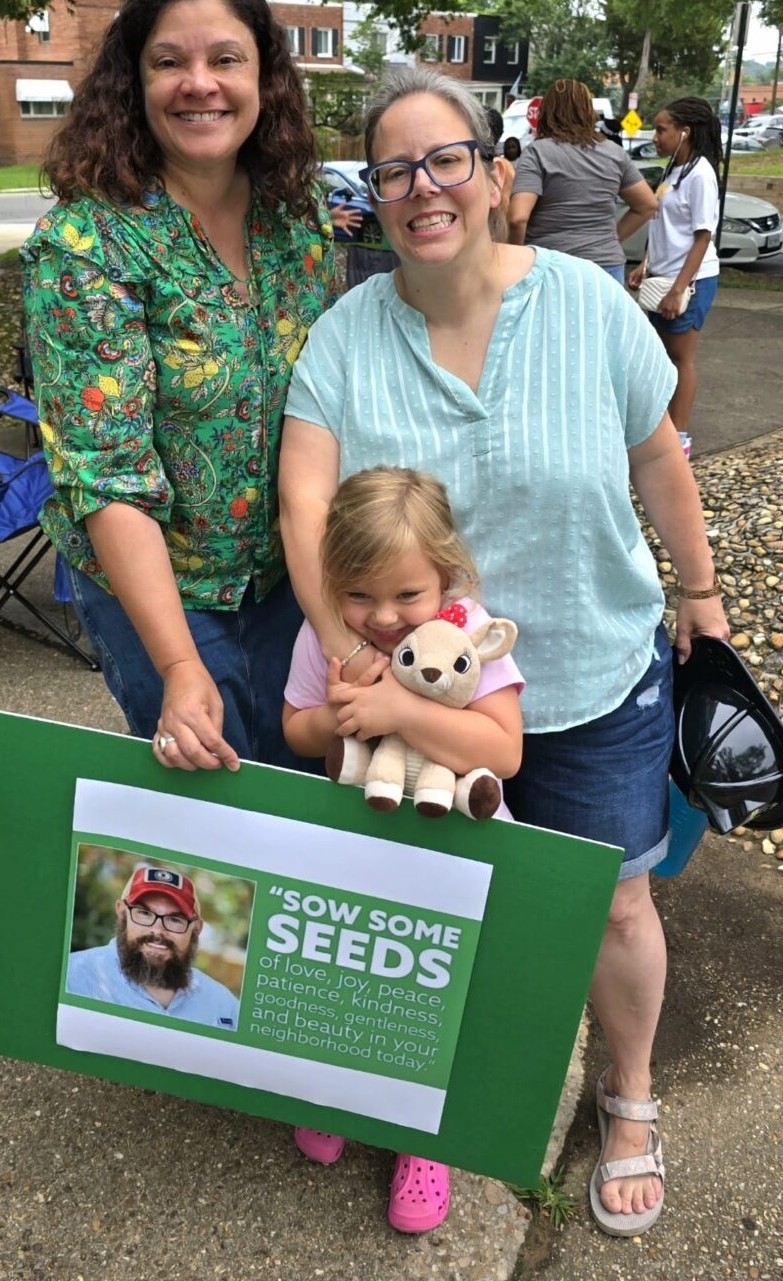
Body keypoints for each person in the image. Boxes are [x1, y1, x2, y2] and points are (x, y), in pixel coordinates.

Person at [278, 66, 730, 1238]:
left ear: (492, 173)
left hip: (584, 678)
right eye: (392, 170)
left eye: (445, 161)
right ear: (370, 196)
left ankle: (628, 1100)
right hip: (413, 700)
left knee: (615, 908)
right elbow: (302, 506)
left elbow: (660, 460)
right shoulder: (343, 337)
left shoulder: (585, 304)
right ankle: (401, 1094)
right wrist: (345, 660)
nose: (421, 188)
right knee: (415, 907)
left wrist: (706, 601)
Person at [22, 0, 338, 774]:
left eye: (226, 59)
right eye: (169, 62)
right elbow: (107, 474)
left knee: (306, 788)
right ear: (135, 81)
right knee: (218, 817)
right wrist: (177, 666)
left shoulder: (296, 220)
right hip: (165, 595)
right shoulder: (87, 245)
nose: (199, 84)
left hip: (292, 576)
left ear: (264, 75)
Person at [283, 465, 523, 1233]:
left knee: (434, 986)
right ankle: (337, 1092)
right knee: (346, 967)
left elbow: (505, 748)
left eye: (405, 595)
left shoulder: (469, 633)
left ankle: (423, 1139)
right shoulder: (327, 640)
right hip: (354, 834)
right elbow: (295, 729)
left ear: (445, 575)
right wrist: (337, 717)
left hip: (449, 840)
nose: (383, 616)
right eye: (359, 594)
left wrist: (396, 709)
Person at [628, 96, 722, 461]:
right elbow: (666, 227)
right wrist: (645, 264)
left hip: (691, 280)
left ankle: (679, 440)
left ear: (686, 132)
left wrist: (678, 289)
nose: (655, 136)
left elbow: (702, 237)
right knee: (661, 357)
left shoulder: (701, 174)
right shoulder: (673, 169)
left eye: (662, 129)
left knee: (681, 357)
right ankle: (663, 428)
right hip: (663, 274)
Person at [507, 78, 657, 285]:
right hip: (607, 268)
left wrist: (514, 263)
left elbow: (517, 218)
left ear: (547, 111)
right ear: (589, 111)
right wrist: (609, 239)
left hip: (553, 269)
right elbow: (647, 205)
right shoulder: (614, 153)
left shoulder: (538, 152)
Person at [67, 866, 241, 1028]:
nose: (158, 931)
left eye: (175, 919)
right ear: (122, 914)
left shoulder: (224, 1006)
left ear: (196, 929)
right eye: (144, 913)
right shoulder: (71, 977)